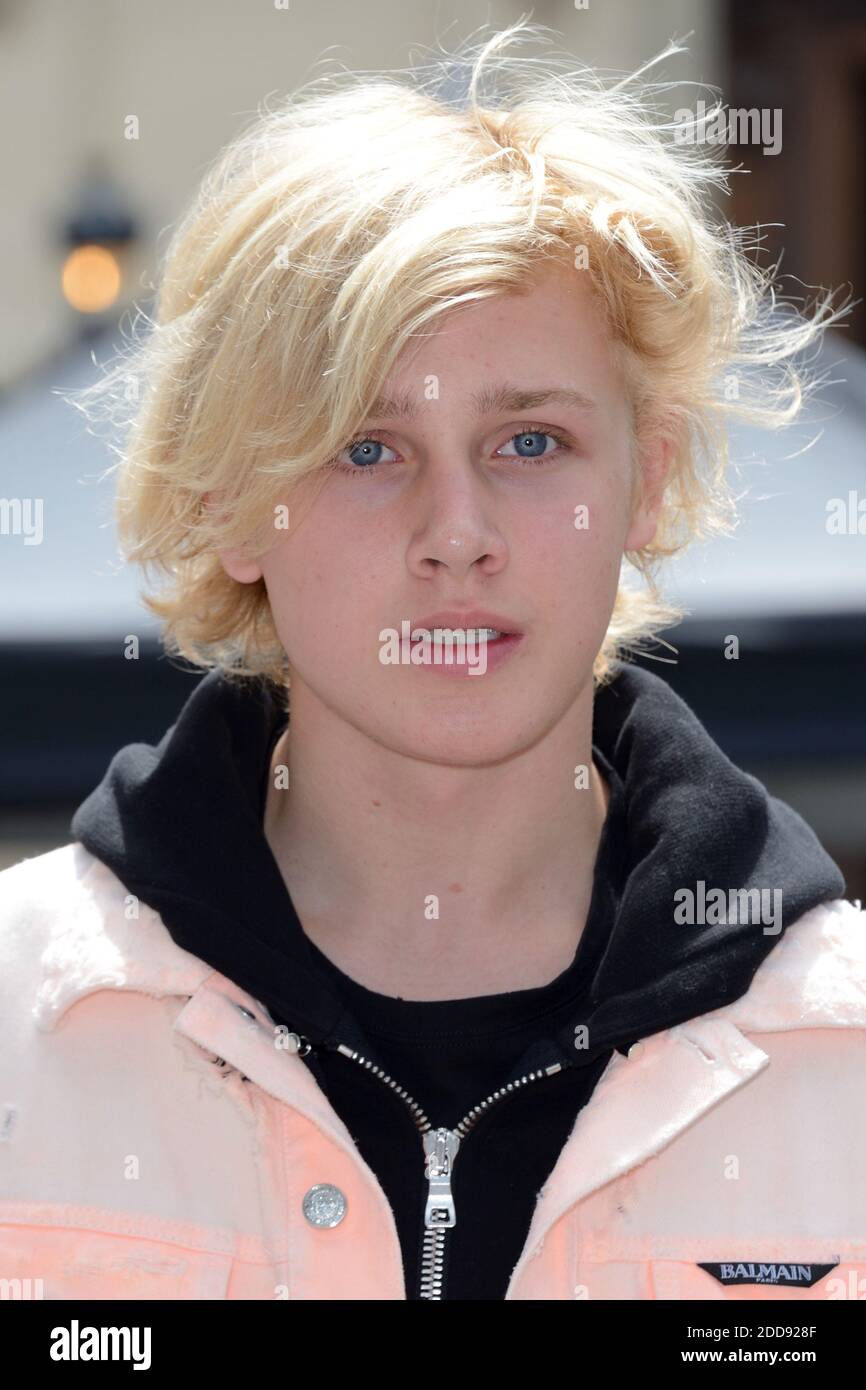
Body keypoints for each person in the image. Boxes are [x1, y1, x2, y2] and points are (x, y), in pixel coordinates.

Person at [1, 20, 863, 1303]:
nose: (454, 535)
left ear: (649, 480)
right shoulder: (19, 1025)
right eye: (364, 448)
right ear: (231, 501)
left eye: (527, 443)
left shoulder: (839, 1050)